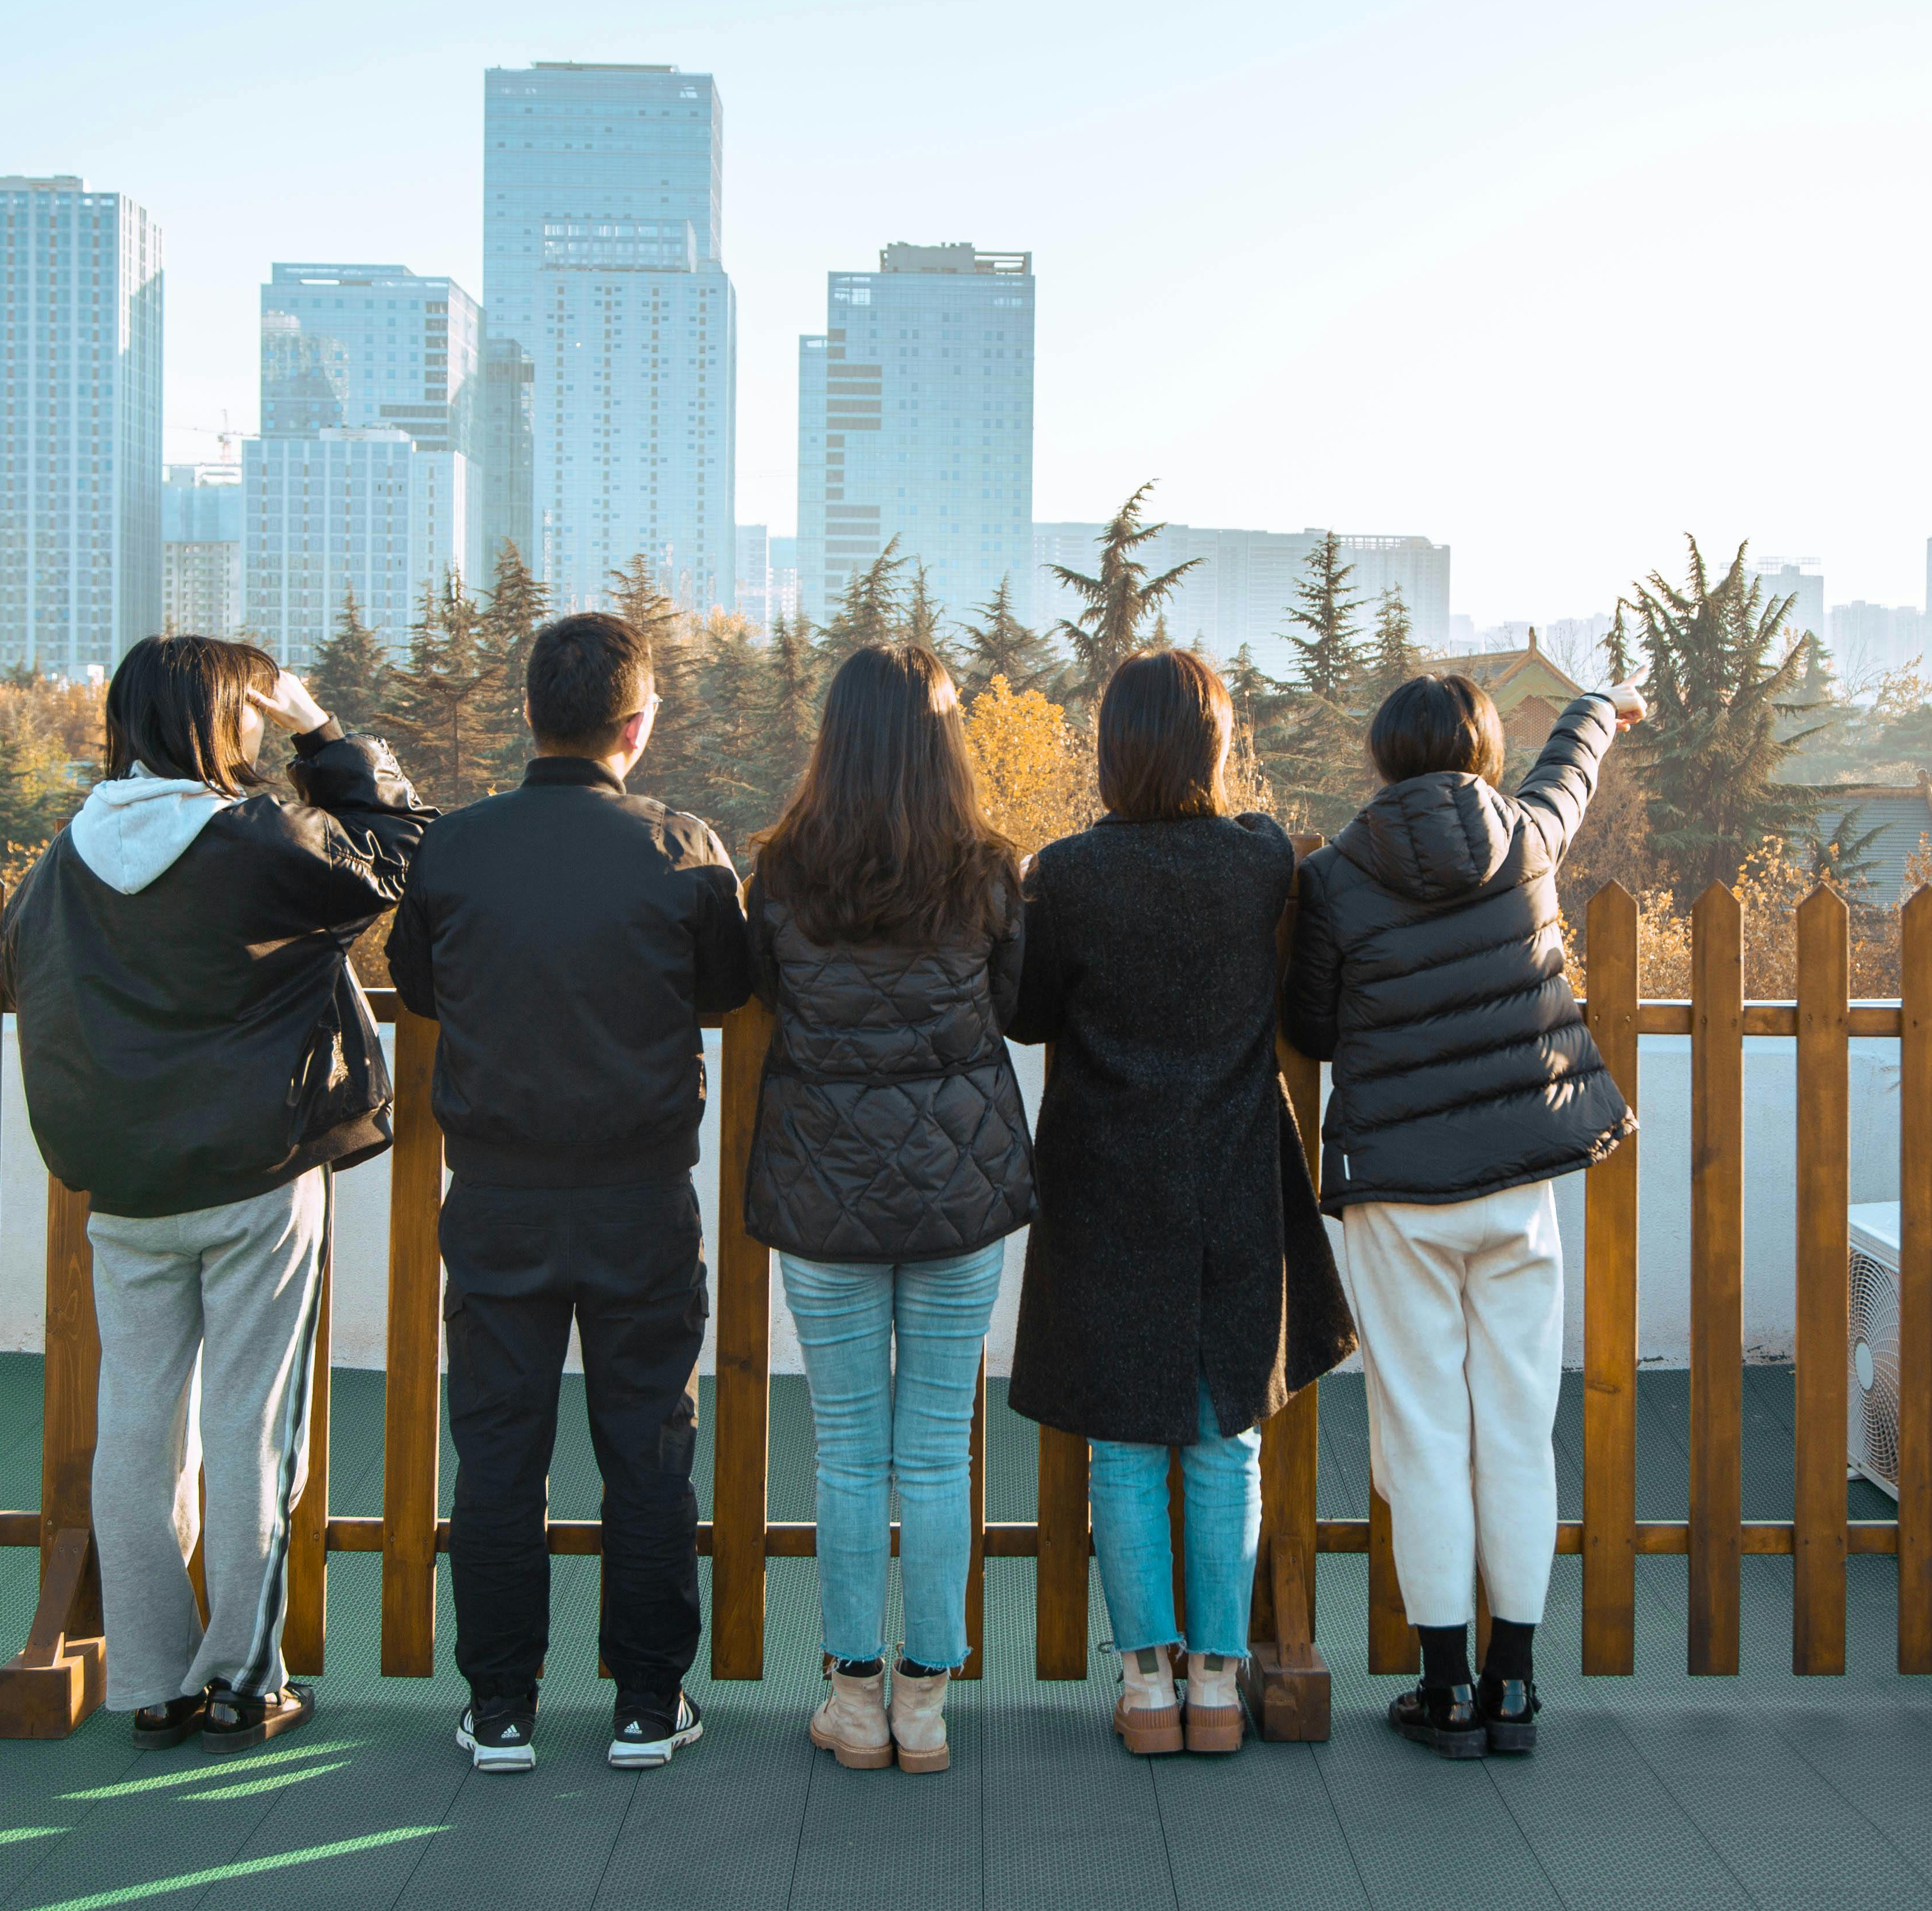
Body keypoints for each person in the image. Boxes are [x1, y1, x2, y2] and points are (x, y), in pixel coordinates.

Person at [1, 635, 430, 1756]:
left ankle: (152, 1677)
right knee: (251, 1423)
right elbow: (399, 854)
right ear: (224, 720)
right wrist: (324, 734)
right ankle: (241, 1678)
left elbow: (29, 980)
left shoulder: (63, 859)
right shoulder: (252, 837)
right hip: (256, 1177)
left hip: (130, 1190)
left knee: (138, 1425)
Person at [387, 611, 749, 1775]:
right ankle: (649, 1702)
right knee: (647, 1448)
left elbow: (420, 988)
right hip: (641, 1195)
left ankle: (500, 1707)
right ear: (635, 726)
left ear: (529, 713)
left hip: (496, 1194)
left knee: (498, 1453)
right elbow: (729, 986)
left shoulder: (456, 847)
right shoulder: (682, 845)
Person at [1281, 671, 1647, 1760]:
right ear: (1483, 751)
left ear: (1382, 756)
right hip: (1515, 1184)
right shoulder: (1526, 839)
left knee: (1426, 1433)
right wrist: (1601, 705)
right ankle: (1516, 1686)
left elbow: (1309, 1020)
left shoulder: (1334, 878)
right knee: (1517, 1430)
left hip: (1398, 1192)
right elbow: (1566, 777)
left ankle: (1443, 1692)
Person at [1008, 649, 1354, 1757]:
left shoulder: (1065, 874)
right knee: (1223, 1443)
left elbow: (1022, 1013)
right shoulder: (1257, 859)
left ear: (1112, 749)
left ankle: (1146, 1686)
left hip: (1107, 1179)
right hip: (1232, 1174)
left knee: (1123, 1447)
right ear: (1214, 744)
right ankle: (1217, 1682)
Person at [743, 644, 1033, 1775]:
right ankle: (927, 1700)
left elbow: (768, 994)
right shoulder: (986, 868)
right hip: (959, 1197)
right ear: (942, 740)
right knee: (938, 1452)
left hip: (824, 1195)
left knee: (848, 1451)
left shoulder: (780, 870)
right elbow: (1015, 1007)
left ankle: (853, 1700)